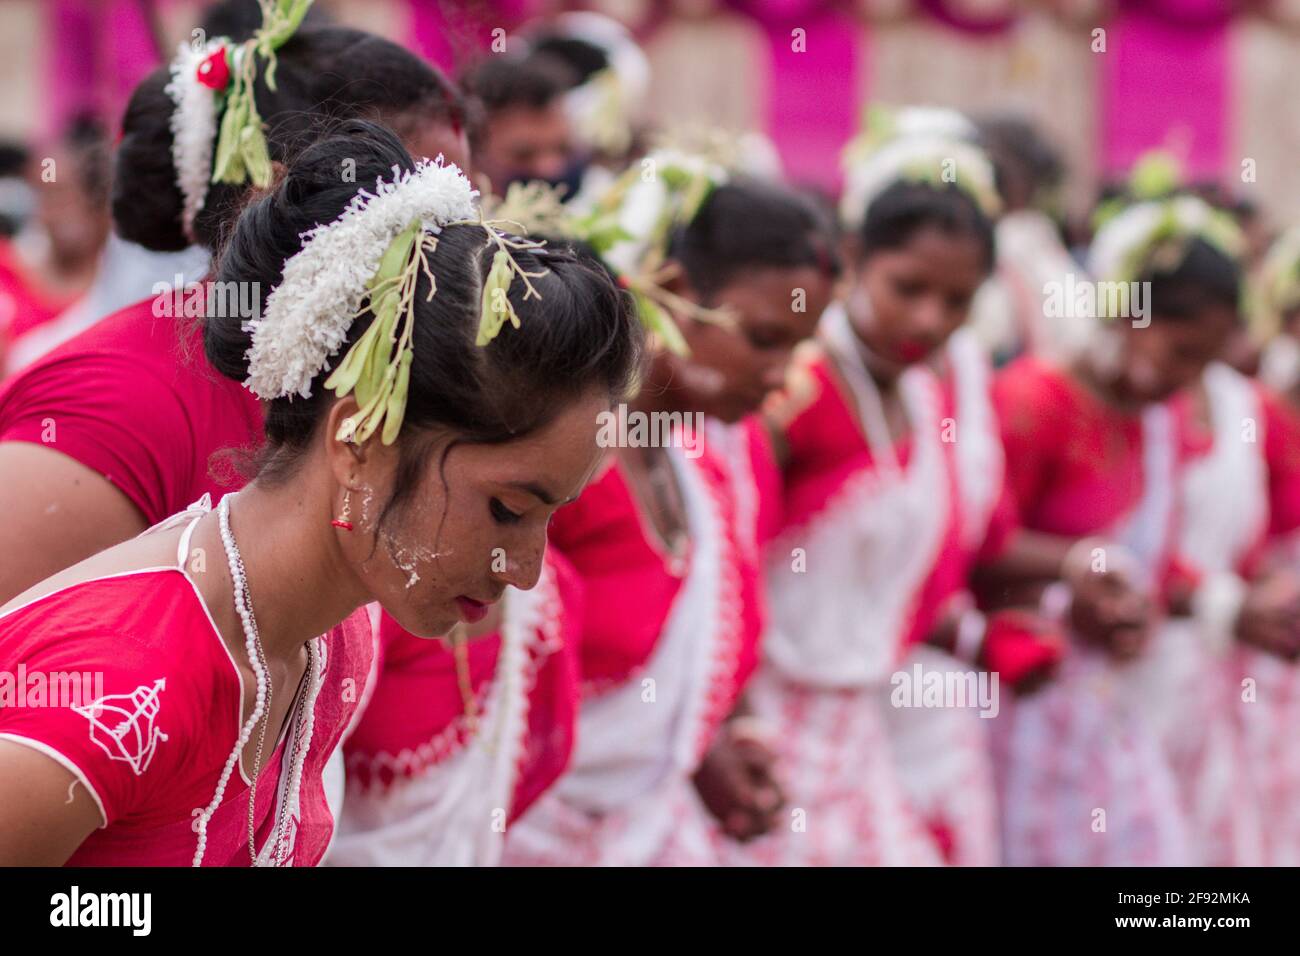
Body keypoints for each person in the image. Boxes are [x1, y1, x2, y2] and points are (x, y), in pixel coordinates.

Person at [0, 120, 642, 866]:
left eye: (550, 519)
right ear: (355, 444)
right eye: (508, 509)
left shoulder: (334, 640)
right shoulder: (132, 678)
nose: (525, 569)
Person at [0, 11, 469, 605]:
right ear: (272, 191)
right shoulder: (111, 406)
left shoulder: (374, 387)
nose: (465, 253)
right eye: (423, 216)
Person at [500, 155, 839, 866]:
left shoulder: (710, 454)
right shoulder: (561, 455)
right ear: (677, 294)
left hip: (645, 828)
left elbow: (721, 640)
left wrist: (725, 737)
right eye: (764, 339)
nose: (781, 379)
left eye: (801, 348)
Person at [731, 128, 1012, 866]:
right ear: (853, 258)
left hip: (858, 728)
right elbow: (726, 564)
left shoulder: (925, 396)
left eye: (957, 300)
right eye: (908, 288)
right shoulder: (796, 389)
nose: (929, 320)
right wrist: (733, 723)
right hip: (764, 722)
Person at [980, 194, 1245, 866]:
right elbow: (977, 546)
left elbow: (1152, 559)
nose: (1187, 377)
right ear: (1130, 312)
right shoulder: (1035, 402)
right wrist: (1075, 573)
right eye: (1180, 351)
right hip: (1020, 697)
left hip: (1111, 703)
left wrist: (1224, 602)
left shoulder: (1160, 418)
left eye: (1205, 363)